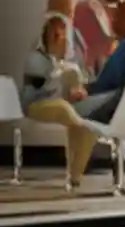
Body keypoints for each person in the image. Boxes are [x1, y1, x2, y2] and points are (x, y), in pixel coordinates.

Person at [21, 16, 106, 189]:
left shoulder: (68, 66)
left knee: (86, 126)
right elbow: (42, 86)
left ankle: (75, 175)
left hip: (64, 105)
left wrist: (78, 91)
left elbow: (76, 88)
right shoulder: (36, 59)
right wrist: (62, 71)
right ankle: (81, 125)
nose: (66, 42)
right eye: (60, 36)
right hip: (35, 105)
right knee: (66, 110)